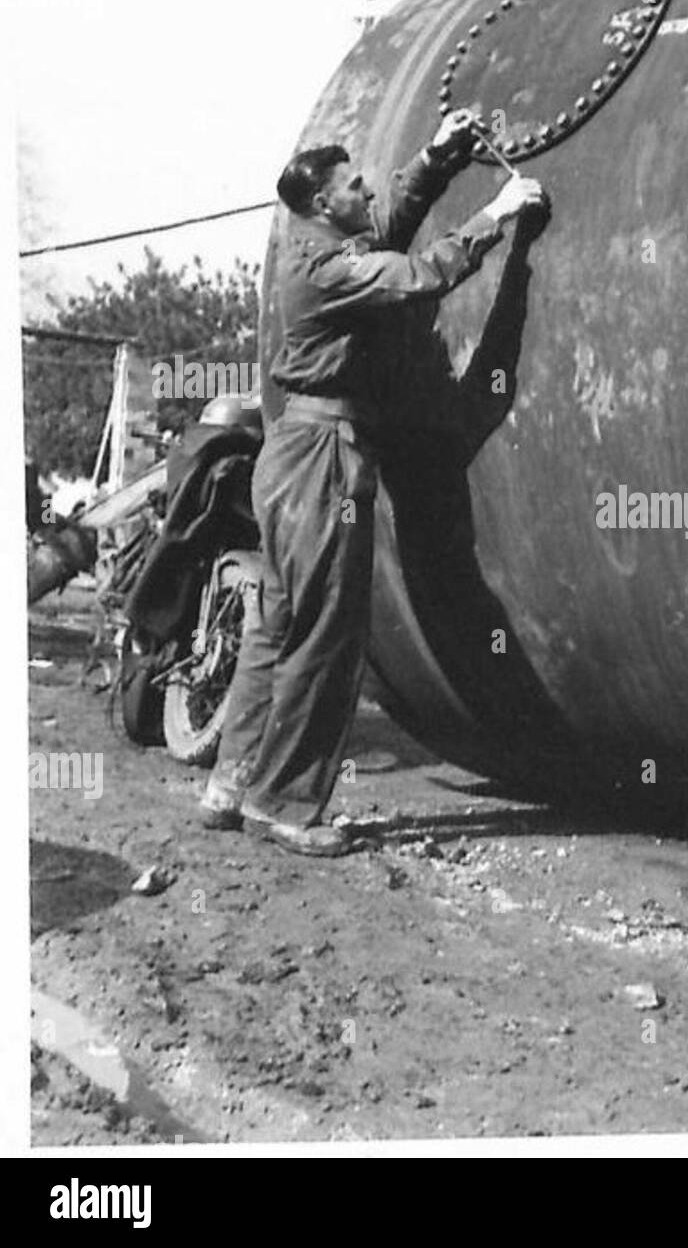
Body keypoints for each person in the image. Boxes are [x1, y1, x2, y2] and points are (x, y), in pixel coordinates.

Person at [198, 110, 547, 855]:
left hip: (291, 453)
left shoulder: (316, 243)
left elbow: (388, 220)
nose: (366, 188)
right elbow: (418, 272)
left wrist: (438, 156)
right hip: (323, 457)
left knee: (276, 625)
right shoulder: (330, 271)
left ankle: (229, 783)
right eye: (353, 184)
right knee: (325, 637)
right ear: (327, 203)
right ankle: (285, 803)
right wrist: (499, 218)